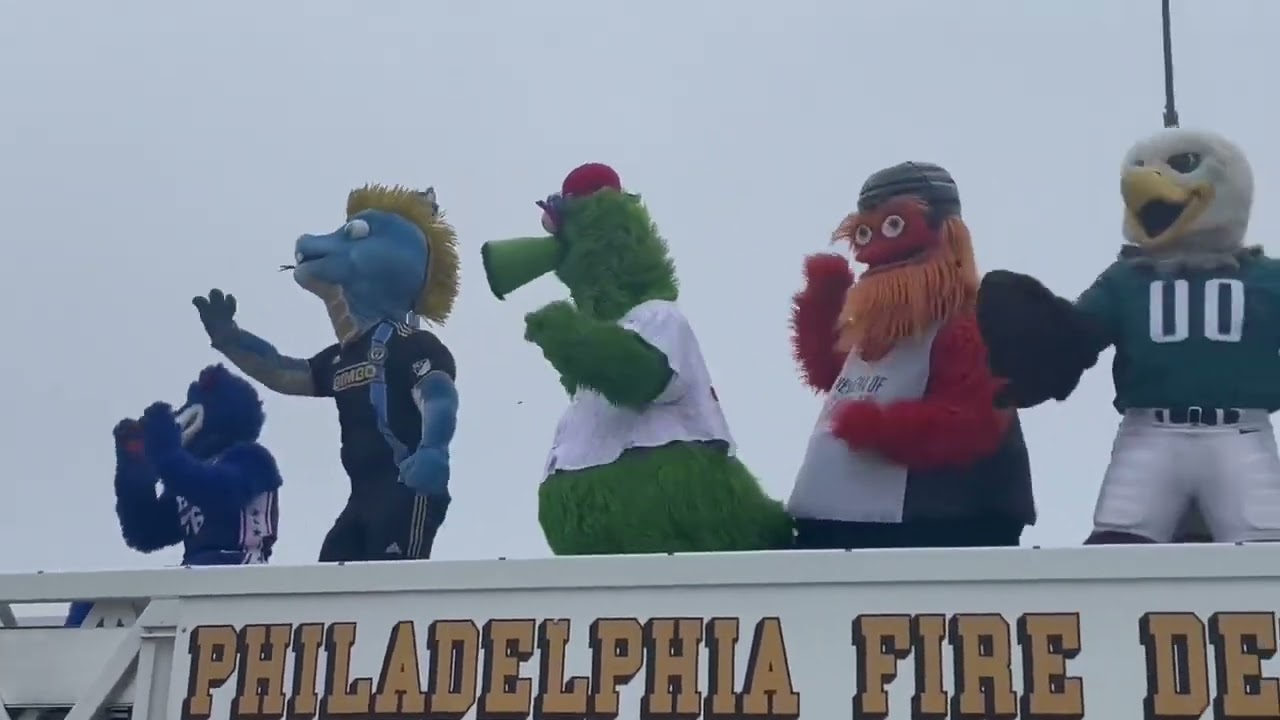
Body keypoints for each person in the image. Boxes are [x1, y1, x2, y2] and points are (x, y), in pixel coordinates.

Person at [193, 186, 460, 561]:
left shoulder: (411, 344)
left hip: (407, 488)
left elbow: (439, 395)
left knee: (392, 586)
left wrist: (434, 450)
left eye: (354, 235)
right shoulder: (342, 357)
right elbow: (283, 371)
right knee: (329, 578)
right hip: (362, 495)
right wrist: (230, 339)